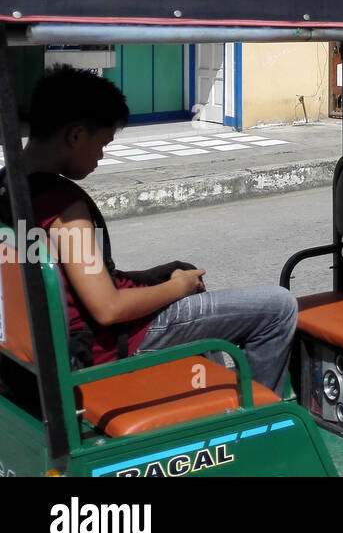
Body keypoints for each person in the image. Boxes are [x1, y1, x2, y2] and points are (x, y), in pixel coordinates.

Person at [3, 67, 297, 390]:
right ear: (75, 136)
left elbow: (75, 275)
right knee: (279, 308)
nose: (101, 156)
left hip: (68, 340)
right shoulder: (62, 208)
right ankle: (259, 425)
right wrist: (177, 288)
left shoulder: (9, 187)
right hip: (115, 344)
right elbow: (107, 308)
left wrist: (151, 275)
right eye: (102, 143)